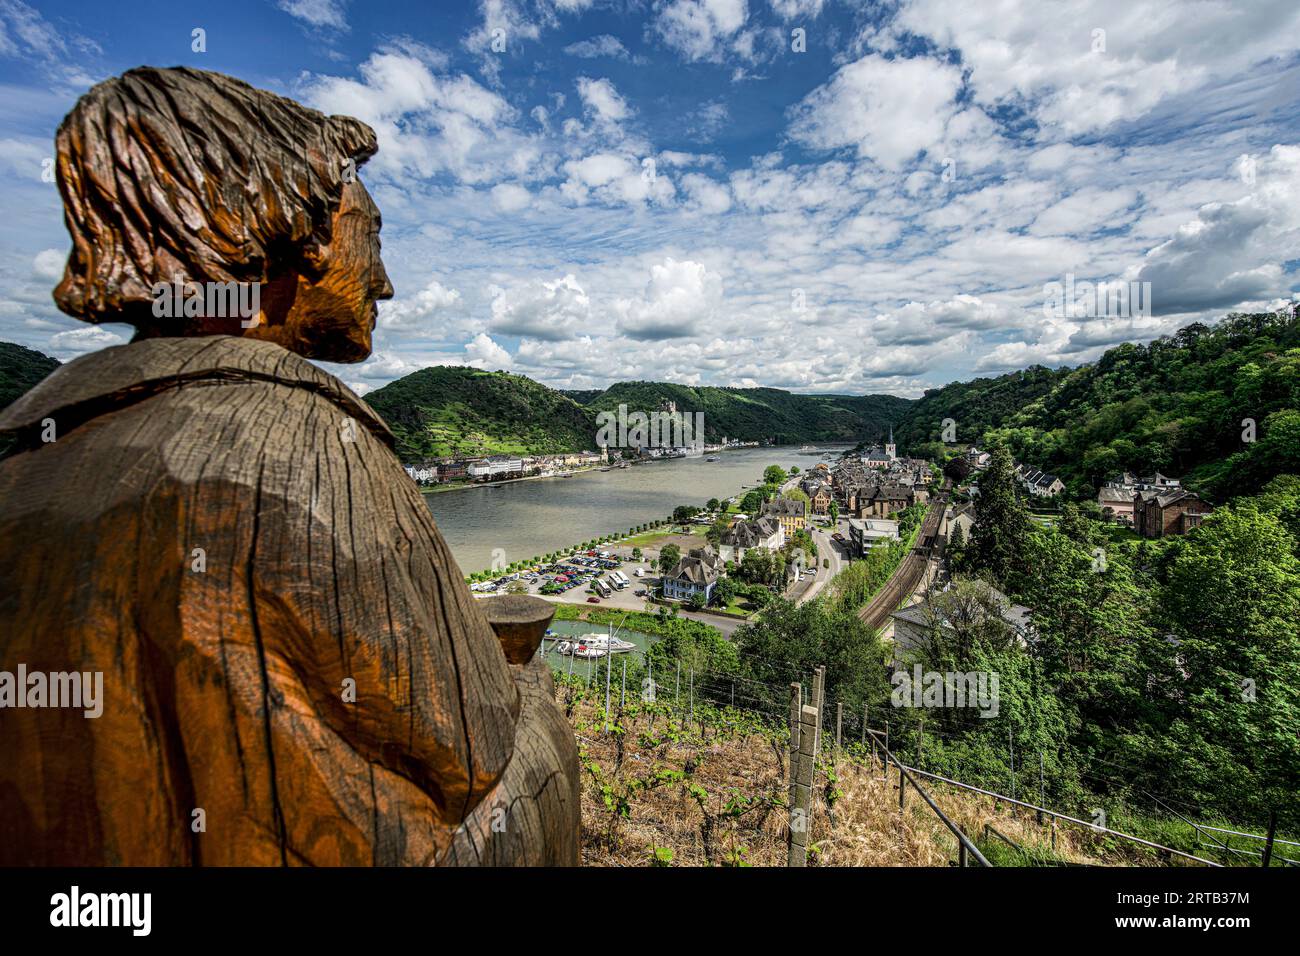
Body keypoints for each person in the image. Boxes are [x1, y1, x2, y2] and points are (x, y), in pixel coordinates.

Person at [0, 67, 577, 866]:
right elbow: (466, 752)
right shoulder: (311, 445)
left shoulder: (24, 453)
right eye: (368, 237)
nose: (384, 281)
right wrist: (528, 690)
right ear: (292, 231)